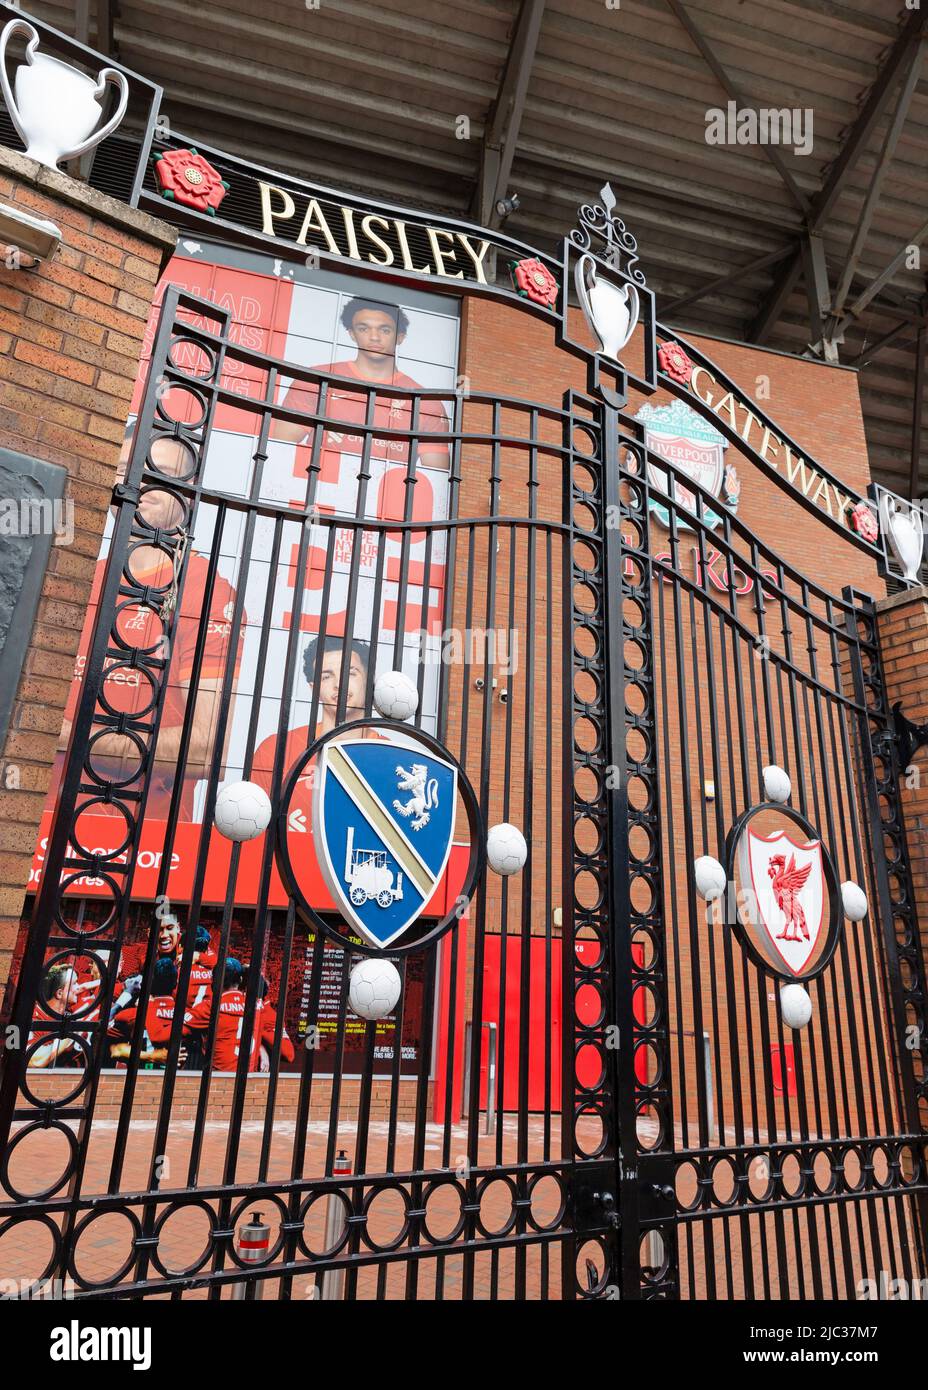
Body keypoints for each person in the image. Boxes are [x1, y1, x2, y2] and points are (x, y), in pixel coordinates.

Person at [51, 422, 246, 821]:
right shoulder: (77, 573)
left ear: (187, 491)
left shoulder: (205, 589)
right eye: (127, 470)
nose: (138, 484)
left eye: (157, 472)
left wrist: (66, 736)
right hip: (39, 824)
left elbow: (207, 749)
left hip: (145, 842)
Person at [270, 297, 450, 473]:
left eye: (385, 330)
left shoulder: (427, 404)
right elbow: (279, 449)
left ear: (400, 337)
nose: (374, 337)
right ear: (351, 334)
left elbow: (436, 478)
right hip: (315, 489)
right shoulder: (314, 380)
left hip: (387, 499)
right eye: (364, 328)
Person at [250, 635, 375, 823]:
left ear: (367, 681)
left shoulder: (390, 755)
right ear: (314, 688)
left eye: (350, 673)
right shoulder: (275, 750)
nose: (339, 684)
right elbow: (253, 828)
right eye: (326, 676)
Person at [107, 956, 181, 1067]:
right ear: (176, 984)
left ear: (148, 984)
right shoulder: (188, 1016)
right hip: (176, 1081)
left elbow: (114, 1049)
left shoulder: (131, 1015)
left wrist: (126, 994)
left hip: (138, 1079)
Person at [28, 963, 101, 1069]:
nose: (78, 988)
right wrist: (73, 1028)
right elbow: (34, 1060)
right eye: (75, 983)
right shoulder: (34, 1017)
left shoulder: (69, 1011)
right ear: (59, 994)